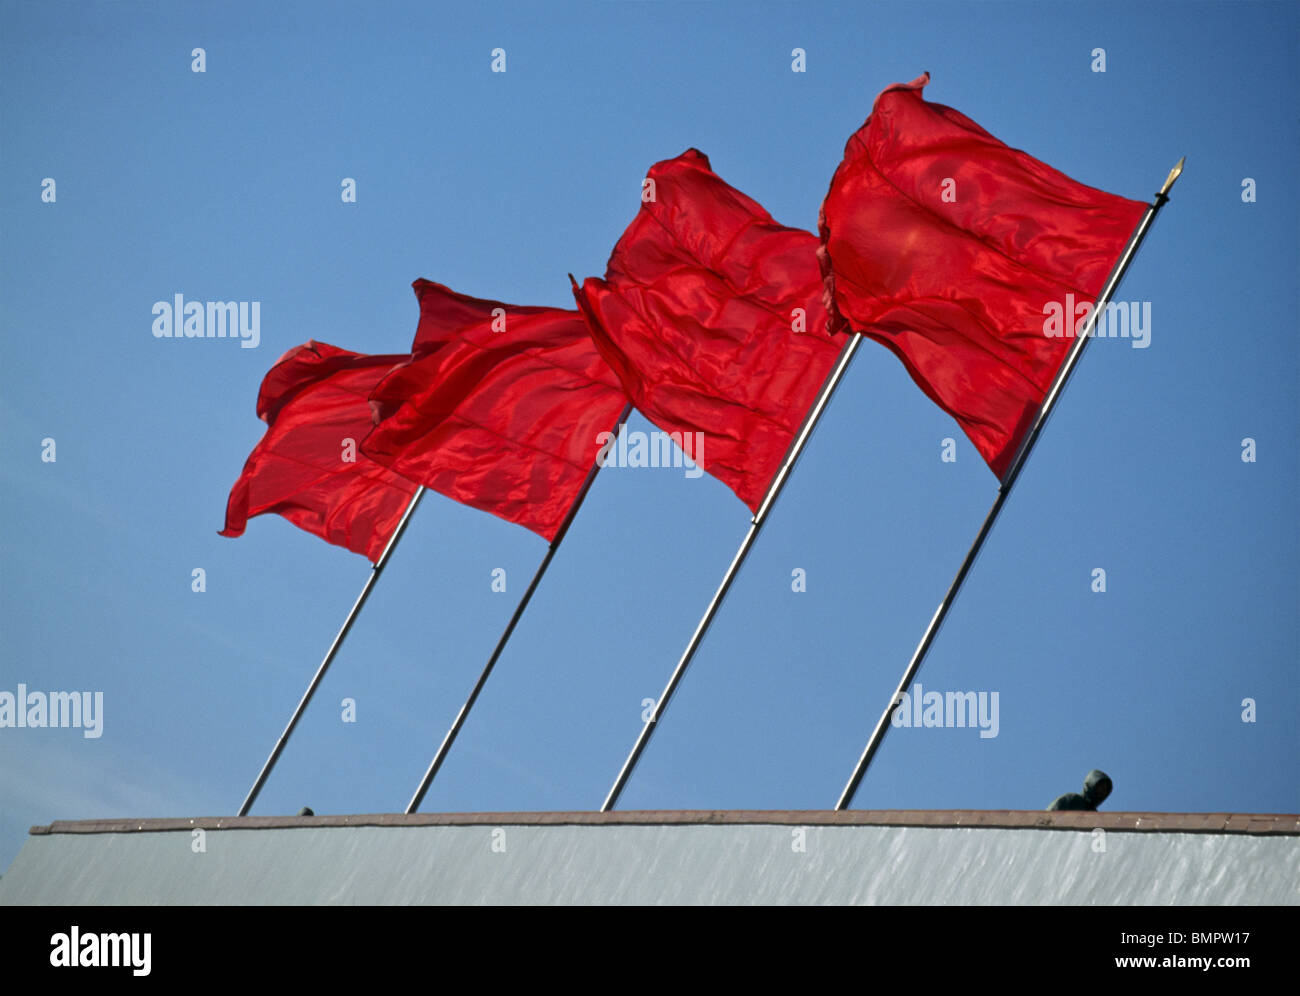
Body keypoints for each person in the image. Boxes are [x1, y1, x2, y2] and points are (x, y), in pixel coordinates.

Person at [1047, 769, 1112, 811]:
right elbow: (1049, 815)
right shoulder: (1072, 800)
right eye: (1100, 786)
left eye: (1105, 789)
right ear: (1091, 784)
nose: (1102, 791)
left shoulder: (1094, 814)